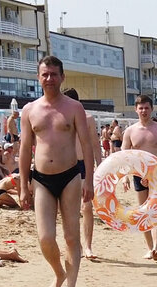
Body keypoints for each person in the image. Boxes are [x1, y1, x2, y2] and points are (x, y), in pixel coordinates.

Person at [19, 55, 95, 287]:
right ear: (38, 77)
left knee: (72, 237)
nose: (49, 78)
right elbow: (25, 149)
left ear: (62, 77)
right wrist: (22, 185)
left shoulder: (74, 108)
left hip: (70, 176)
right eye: (45, 74)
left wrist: (89, 180)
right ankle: (58, 272)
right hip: (41, 179)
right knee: (45, 238)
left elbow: (86, 144)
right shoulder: (30, 110)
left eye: (54, 74)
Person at [121, 94, 157, 261]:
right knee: (144, 211)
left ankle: (156, 247)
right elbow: (124, 155)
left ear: (151, 109)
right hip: (138, 175)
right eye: (140, 108)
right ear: (136, 110)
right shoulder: (130, 131)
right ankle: (150, 248)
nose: (143, 111)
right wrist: (125, 177)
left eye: (146, 108)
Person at [63, 88, 101, 260]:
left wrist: (101, 166)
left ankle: (88, 246)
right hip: (67, 165)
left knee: (87, 207)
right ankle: (75, 244)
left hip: (84, 164)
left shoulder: (88, 119)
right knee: (70, 209)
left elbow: (94, 143)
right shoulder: (60, 118)